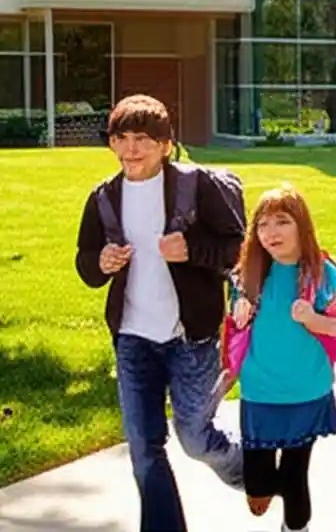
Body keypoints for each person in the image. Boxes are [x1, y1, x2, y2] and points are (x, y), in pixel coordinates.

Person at [73, 94, 245, 532]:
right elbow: (86, 261)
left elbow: (237, 249)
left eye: (144, 140)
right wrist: (101, 263)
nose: (132, 149)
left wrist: (192, 251)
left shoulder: (197, 187)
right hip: (132, 338)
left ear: (166, 144)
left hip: (191, 338)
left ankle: (248, 467)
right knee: (144, 449)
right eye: (122, 138)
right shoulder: (104, 199)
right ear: (112, 143)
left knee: (195, 439)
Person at [228, 186, 336, 532]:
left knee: (295, 475)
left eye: (282, 222)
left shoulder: (323, 274)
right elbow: (235, 320)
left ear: (302, 226)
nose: (271, 232)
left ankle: (296, 528)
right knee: (258, 489)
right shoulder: (248, 274)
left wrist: (314, 319)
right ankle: (269, 488)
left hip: (306, 390)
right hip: (259, 391)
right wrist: (238, 311)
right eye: (263, 225)